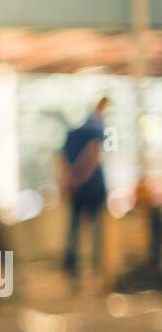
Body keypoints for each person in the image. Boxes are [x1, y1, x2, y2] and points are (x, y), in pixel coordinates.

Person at [61, 97, 109, 281]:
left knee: (75, 229)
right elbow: (93, 157)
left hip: (78, 188)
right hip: (91, 188)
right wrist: (80, 179)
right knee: (94, 230)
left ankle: (74, 267)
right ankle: (94, 268)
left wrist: (70, 180)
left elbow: (63, 161)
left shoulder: (72, 135)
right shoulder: (94, 131)